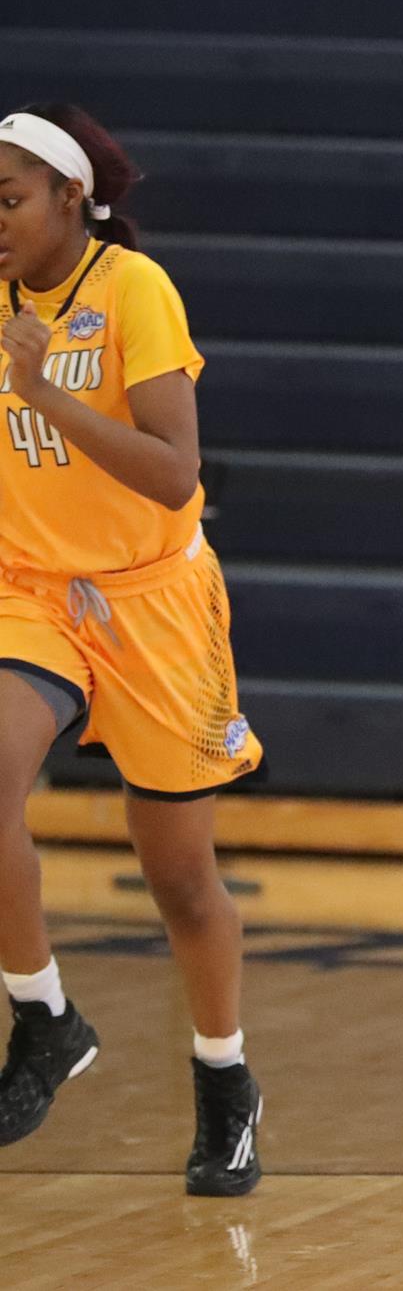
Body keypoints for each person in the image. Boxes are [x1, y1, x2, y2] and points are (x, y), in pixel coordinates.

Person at [0, 103, 265, 1195]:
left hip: (155, 599)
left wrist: (43, 393)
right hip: (29, 594)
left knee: (182, 881)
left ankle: (225, 1081)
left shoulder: (132, 291)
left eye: (8, 200)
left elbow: (172, 473)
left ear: (71, 197)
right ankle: (43, 1013)